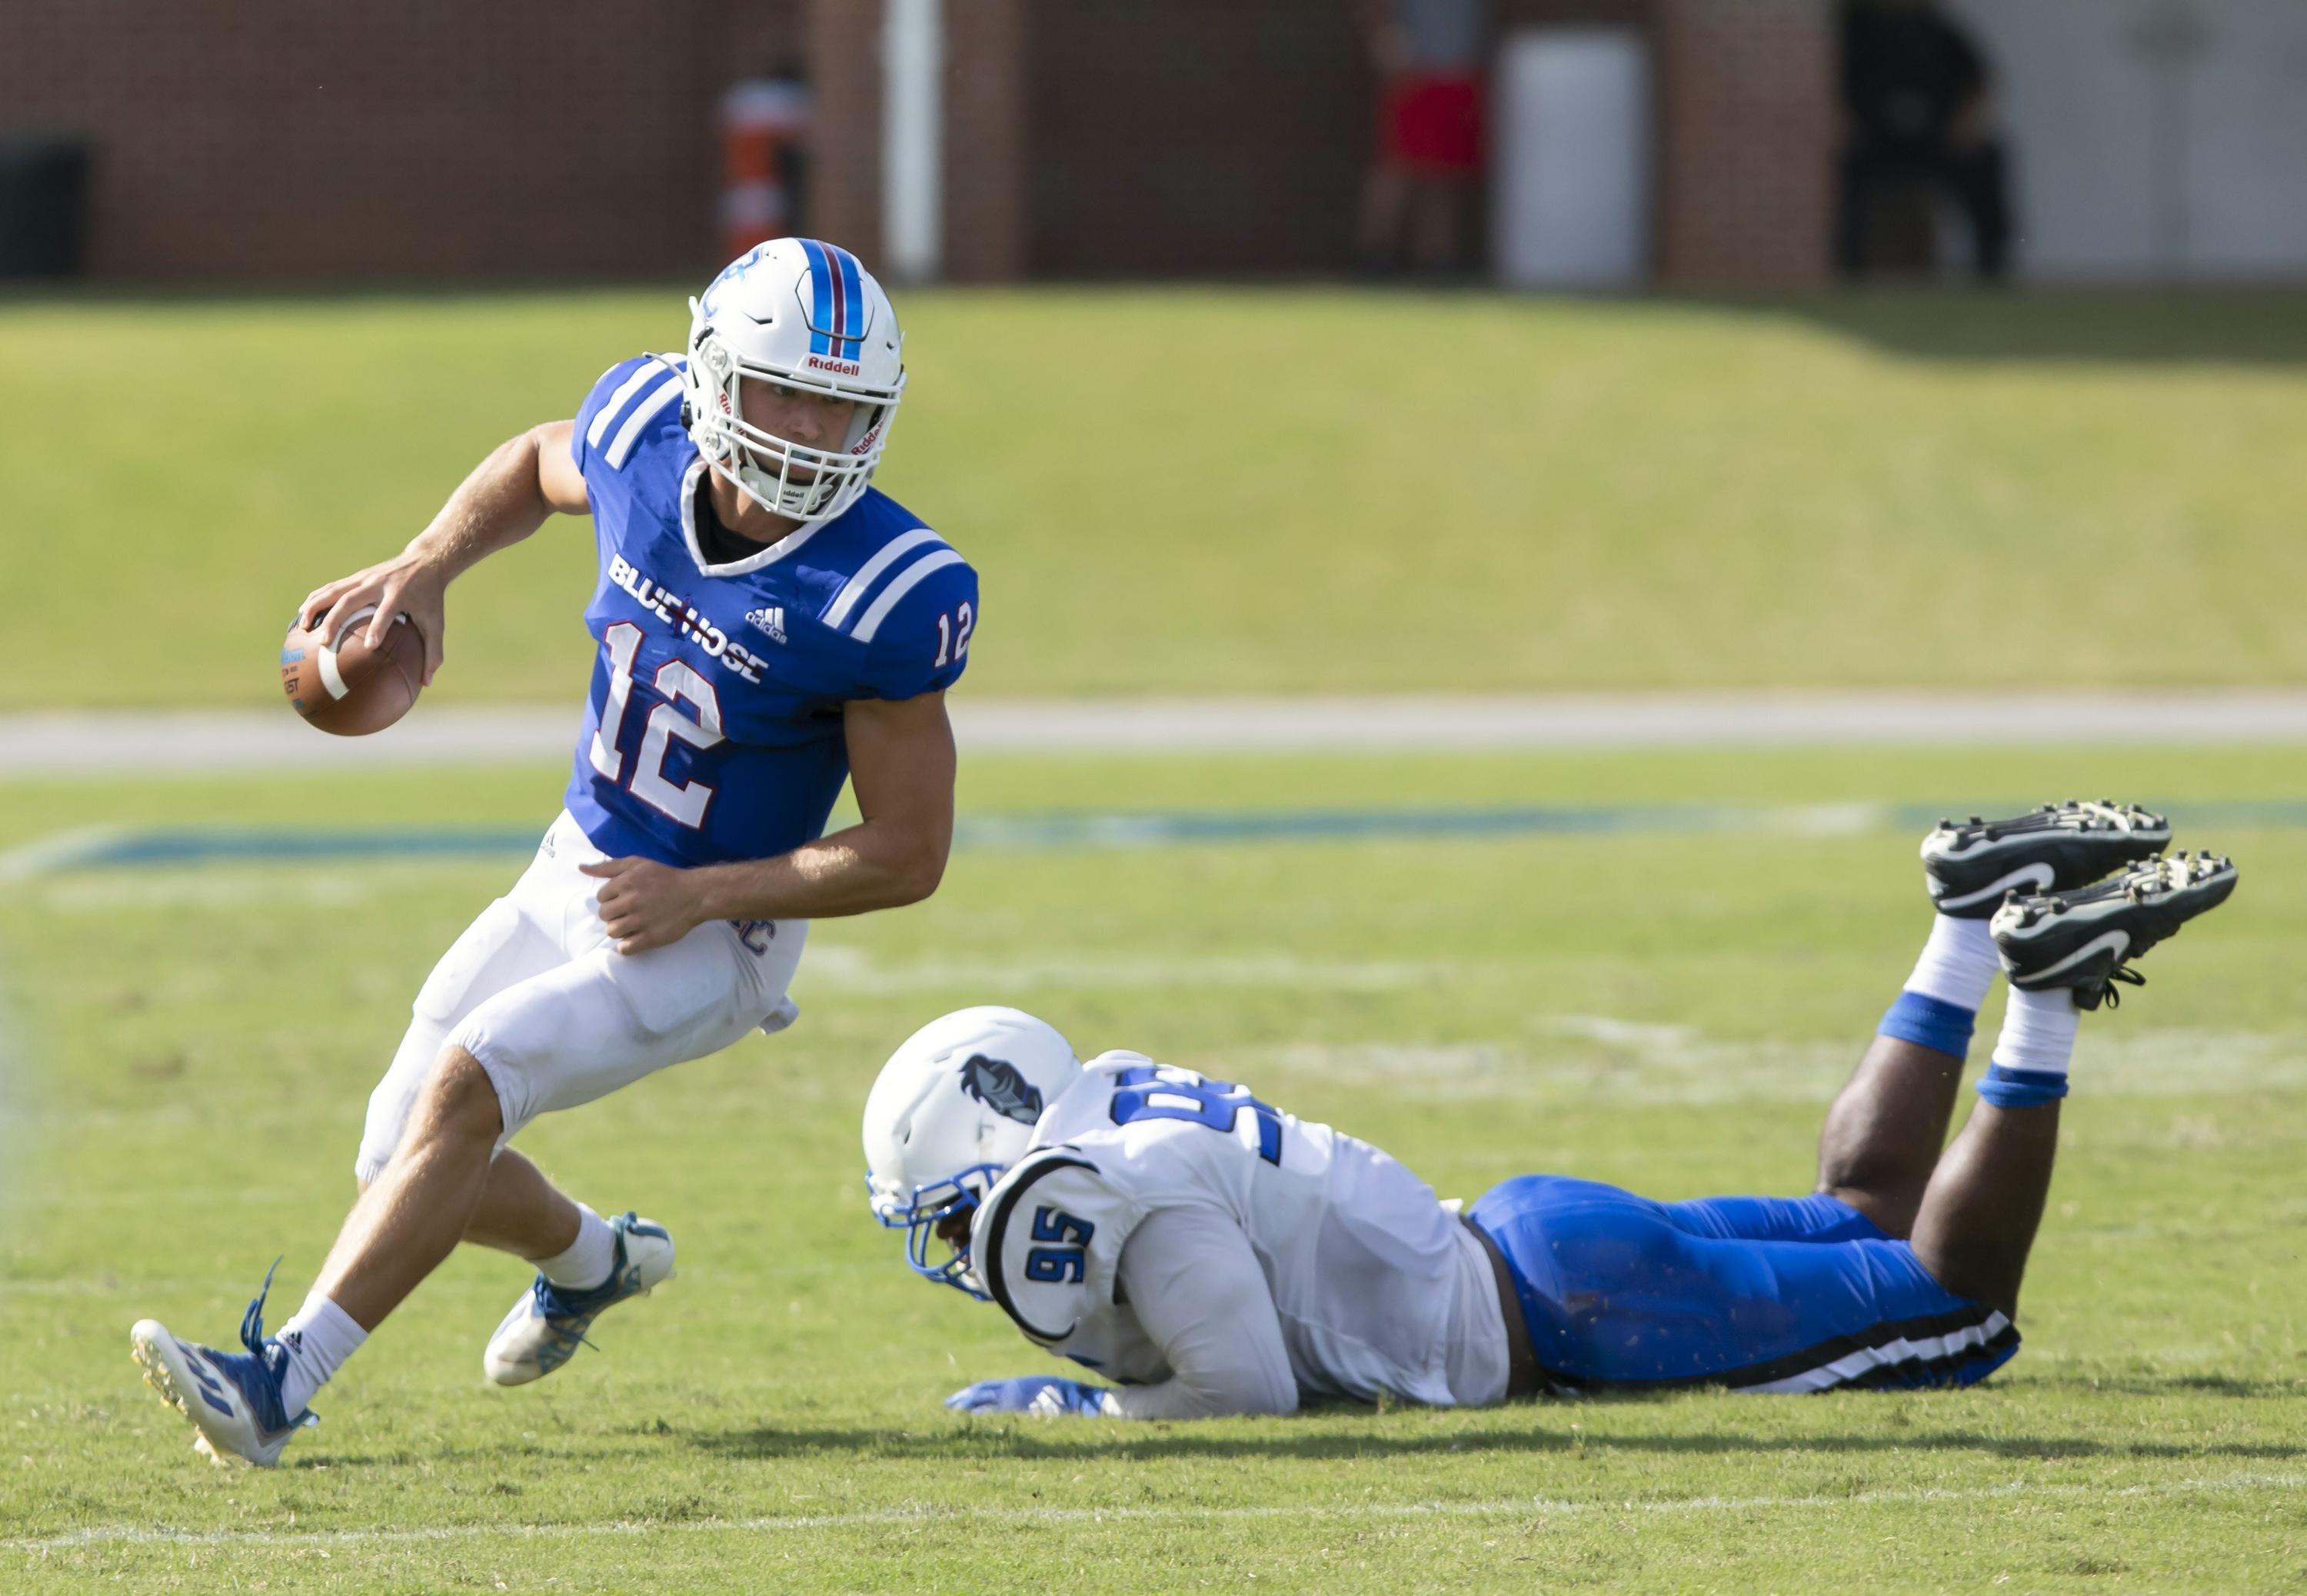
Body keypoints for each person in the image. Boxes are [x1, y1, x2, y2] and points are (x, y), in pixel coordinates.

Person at [131, 238, 980, 1466]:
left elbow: (910, 852)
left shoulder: (881, 589)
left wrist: (706, 893)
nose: (811, 434)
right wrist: (428, 562)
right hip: (575, 859)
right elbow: (540, 460)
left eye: (843, 409)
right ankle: (595, 1262)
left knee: (475, 1077)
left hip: (717, 932)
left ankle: (277, 1384)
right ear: (711, 378)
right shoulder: (643, 428)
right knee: (396, 1150)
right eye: (785, 391)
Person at [864, 804, 2235, 1417]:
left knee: (1954, 1310)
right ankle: (1959, 922)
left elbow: (1246, 1390)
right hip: (1534, 1243)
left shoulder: (1134, 1188)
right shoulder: (1108, 1095)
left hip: (1567, 1313)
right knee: (1861, 1219)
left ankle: (2037, 993)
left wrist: (1083, 1409)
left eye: (948, 1210)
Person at [1836, 0, 2013, 281]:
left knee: (1986, 157)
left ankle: (1992, 264)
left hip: (1938, 141)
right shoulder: (1856, 30)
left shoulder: (1937, 30)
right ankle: (1848, 270)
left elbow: (1978, 81)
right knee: (1843, 168)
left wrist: (1964, 126)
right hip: (1877, 141)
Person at [1357, 0, 1487, 276]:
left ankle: (1437, 258)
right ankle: (1376, 254)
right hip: (1415, 75)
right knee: (1398, 166)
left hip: (1459, 74)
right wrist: (1386, 40)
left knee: (1444, 172)